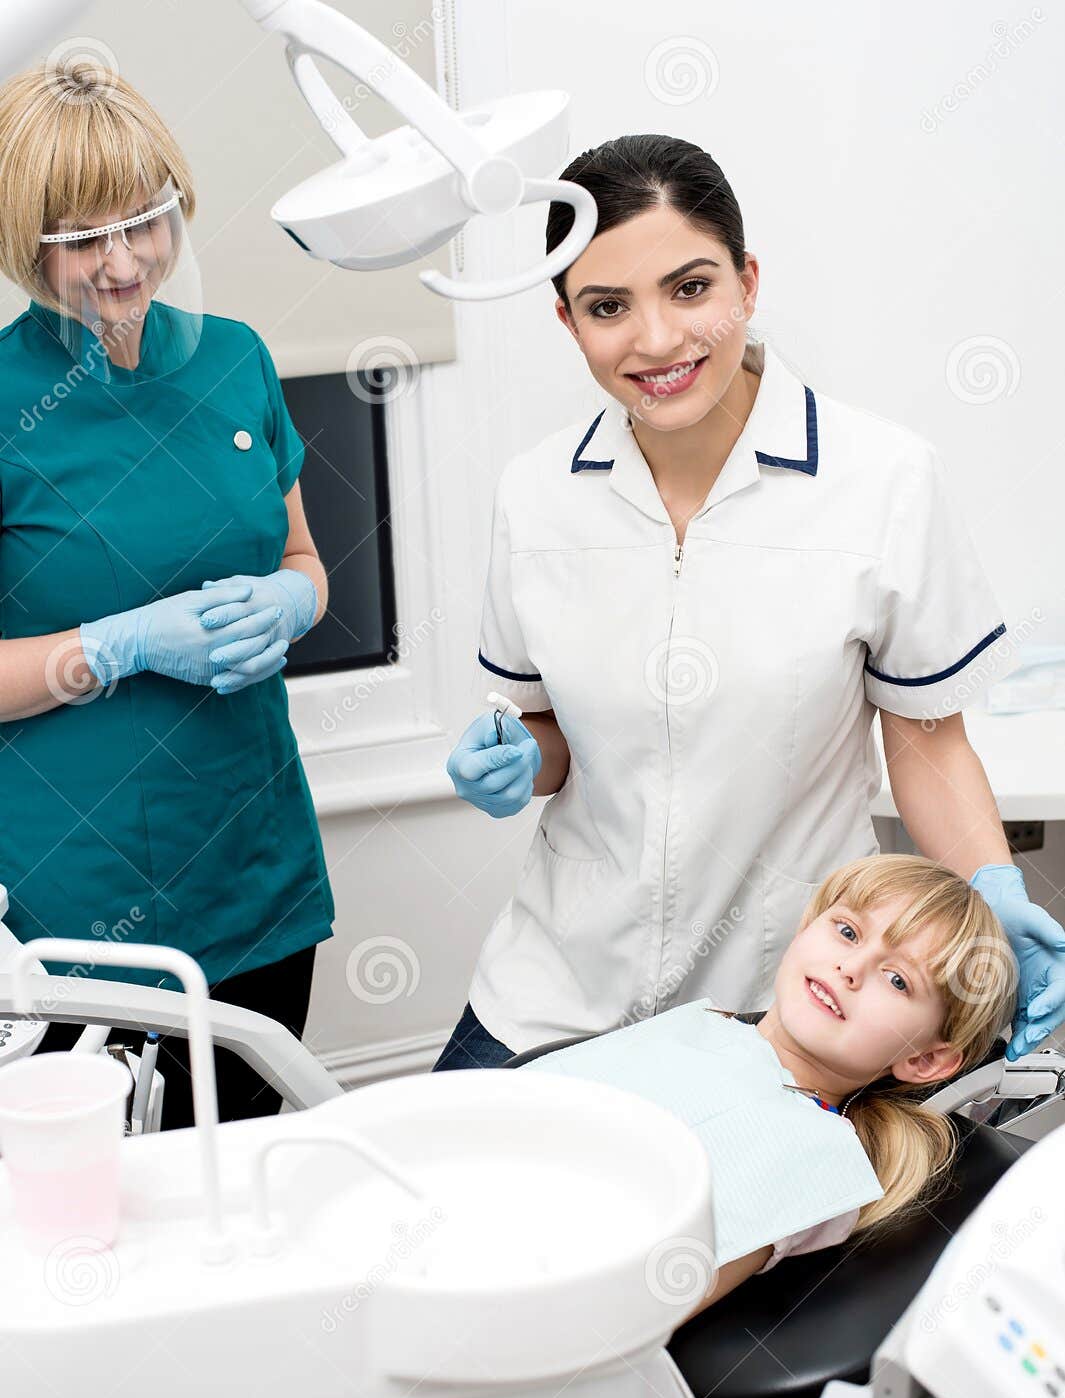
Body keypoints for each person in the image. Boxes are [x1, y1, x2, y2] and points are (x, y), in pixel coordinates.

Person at [437, 134, 1065, 1072]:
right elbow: (548, 736)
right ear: (568, 322)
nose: (654, 340)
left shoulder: (881, 481)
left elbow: (926, 738)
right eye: (608, 307)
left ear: (746, 282)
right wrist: (520, 758)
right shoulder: (536, 496)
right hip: (554, 994)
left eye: (690, 288)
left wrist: (991, 887)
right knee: (439, 1204)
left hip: (780, 1008)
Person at [0, 60, 334, 1125]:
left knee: (251, 1179)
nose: (124, 261)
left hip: (258, 868)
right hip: (78, 912)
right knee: (115, 1220)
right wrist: (118, 642)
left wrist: (293, 604)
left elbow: (305, 562)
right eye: (81, 237)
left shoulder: (235, 361)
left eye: (145, 221)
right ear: (23, 242)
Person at [527, 853, 1017, 1312]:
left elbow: (631, 1310)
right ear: (806, 927)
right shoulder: (698, 1025)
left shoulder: (817, 1157)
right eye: (847, 932)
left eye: (897, 981)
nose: (851, 968)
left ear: (926, 1060)